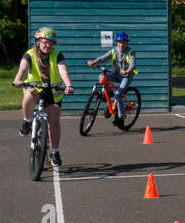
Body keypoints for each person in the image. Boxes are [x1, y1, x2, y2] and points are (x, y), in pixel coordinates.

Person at [13, 27, 75, 167]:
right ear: (38, 42)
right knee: (28, 95)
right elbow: (22, 70)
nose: (47, 45)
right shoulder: (29, 55)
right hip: (36, 88)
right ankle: (27, 120)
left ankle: (54, 152)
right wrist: (18, 79)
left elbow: (63, 71)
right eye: (44, 42)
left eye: (50, 43)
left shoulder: (57, 55)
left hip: (53, 92)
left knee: (54, 119)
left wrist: (68, 85)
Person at [86, 31, 137, 128]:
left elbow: (132, 65)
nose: (121, 44)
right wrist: (93, 62)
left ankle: (121, 115)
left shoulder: (130, 52)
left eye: (123, 42)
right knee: (102, 76)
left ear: (126, 43)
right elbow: (103, 58)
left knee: (118, 94)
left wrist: (127, 71)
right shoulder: (114, 51)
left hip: (126, 76)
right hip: (116, 74)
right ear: (116, 43)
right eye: (119, 42)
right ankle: (108, 92)